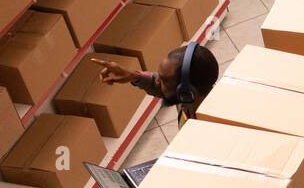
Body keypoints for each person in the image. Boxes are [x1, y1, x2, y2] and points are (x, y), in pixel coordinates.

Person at [91, 41, 219, 128]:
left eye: (164, 80)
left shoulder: (210, 125)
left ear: (185, 91)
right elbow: (156, 83)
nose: (157, 81)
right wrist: (134, 76)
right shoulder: (190, 97)